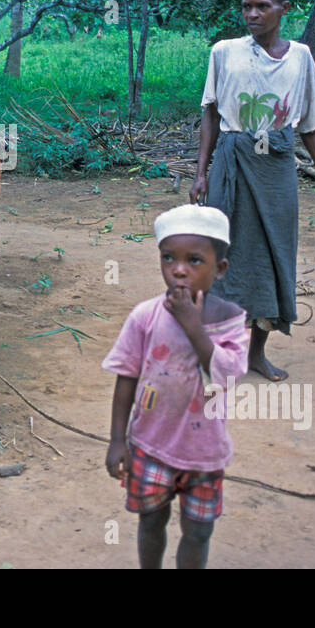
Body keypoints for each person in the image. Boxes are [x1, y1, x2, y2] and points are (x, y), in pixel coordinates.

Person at [190, 0, 315, 381]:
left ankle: (256, 353)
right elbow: (209, 112)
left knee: (275, 256)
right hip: (232, 161)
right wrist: (201, 172)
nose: (252, 14)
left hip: (275, 168)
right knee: (223, 256)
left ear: (284, 8)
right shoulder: (224, 52)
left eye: (262, 7)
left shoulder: (300, 58)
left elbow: (310, 123)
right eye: (246, 6)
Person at [103, 204, 248, 569]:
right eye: (169, 258)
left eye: (194, 260)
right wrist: (117, 440)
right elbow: (127, 378)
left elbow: (228, 375)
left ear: (220, 269)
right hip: (150, 447)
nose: (179, 269)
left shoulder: (230, 321)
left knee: (198, 532)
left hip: (204, 452)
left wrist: (193, 326)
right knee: (151, 522)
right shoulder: (144, 316)